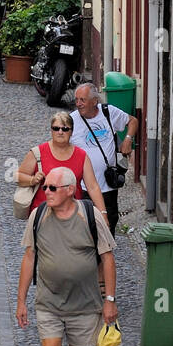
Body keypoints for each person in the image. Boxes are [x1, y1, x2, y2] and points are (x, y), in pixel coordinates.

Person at [16, 167, 117, 346]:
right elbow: (29, 257)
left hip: (84, 303)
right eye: (45, 187)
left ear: (70, 190)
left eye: (52, 188)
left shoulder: (89, 216)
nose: (45, 192)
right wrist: (21, 300)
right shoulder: (38, 216)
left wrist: (109, 300)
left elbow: (107, 258)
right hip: (48, 302)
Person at [70, 83, 140, 233]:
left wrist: (128, 139)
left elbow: (133, 121)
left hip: (108, 185)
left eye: (82, 100)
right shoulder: (71, 121)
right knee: (85, 230)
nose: (78, 104)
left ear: (95, 101)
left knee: (108, 228)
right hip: (83, 188)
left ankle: (105, 254)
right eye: (76, 100)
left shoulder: (109, 112)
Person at [16, 112, 108, 221]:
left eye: (65, 129)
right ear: (51, 130)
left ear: (71, 132)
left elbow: (93, 187)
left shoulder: (81, 156)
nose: (60, 132)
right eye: (56, 128)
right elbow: (18, 176)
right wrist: (32, 180)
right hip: (43, 217)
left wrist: (103, 213)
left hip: (73, 218)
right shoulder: (37, 153)